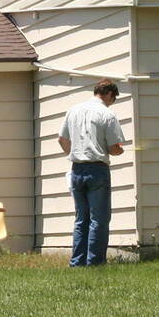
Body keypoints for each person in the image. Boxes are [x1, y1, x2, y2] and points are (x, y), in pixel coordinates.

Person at [58, 79, 125, 266]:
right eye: (113, 98)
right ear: (110, 94)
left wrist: (75, 153)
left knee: (81, 219)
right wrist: (121, 149)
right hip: (97, 170)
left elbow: (62, 139)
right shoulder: (107, 114)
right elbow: (113, 147)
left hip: (77, 169)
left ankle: (77, 262)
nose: (112, 102)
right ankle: (95, 263)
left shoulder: (73, 110)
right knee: (99, 220)